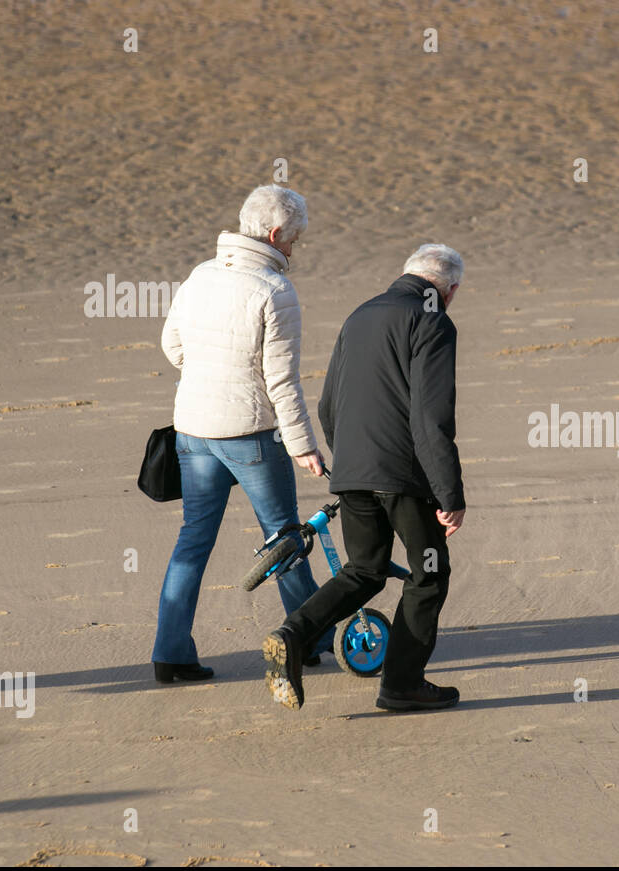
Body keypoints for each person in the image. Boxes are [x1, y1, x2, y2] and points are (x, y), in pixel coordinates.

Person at [263, 243, 467, 712]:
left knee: (365, 570)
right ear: (449, 289)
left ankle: (291, 635)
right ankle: (402, 684)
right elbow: (431, 417)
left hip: (353, 470)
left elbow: (328, 405)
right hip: (403, 474)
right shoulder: (433, 320)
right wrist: (449, 493)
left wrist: (351, 462)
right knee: (429, 573)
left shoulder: (360, 315)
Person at [152, 185, 333, 683]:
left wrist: (210, 375)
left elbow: (172, 345)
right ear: (275, 234)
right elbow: (281, 381)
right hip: (251, 434)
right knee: (284, 537)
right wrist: (304, 447)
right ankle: (310, 637)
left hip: (193, 428)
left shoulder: (200, 275)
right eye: (294, 240)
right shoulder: (276, 291)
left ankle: (170, 653)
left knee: (193, 539)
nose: (294, 249)